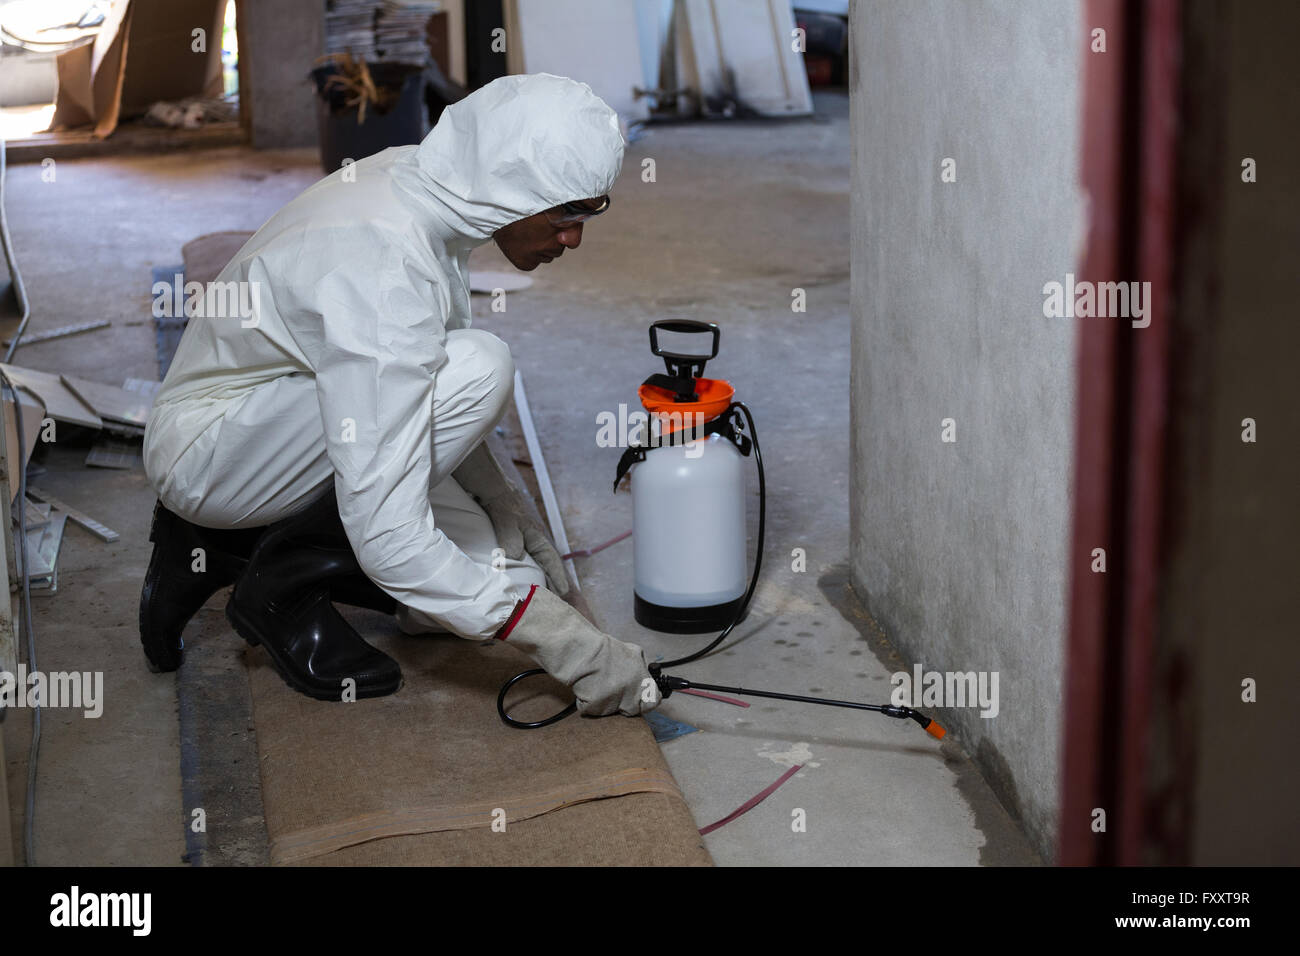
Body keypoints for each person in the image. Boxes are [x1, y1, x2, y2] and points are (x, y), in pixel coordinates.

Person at [138, 73, 658, 718]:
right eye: (567, 214)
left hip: (286, 411)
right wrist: (572, 646)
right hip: (212, 449)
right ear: (513, 192)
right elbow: (389, 533)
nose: (574, 238)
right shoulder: (384, 268)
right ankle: (280, 583)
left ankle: (268, 552)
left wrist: (507, 510)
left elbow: (420, 383)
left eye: (589, 211)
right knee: (482, 367)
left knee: (508, 576)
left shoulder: (428, 181)